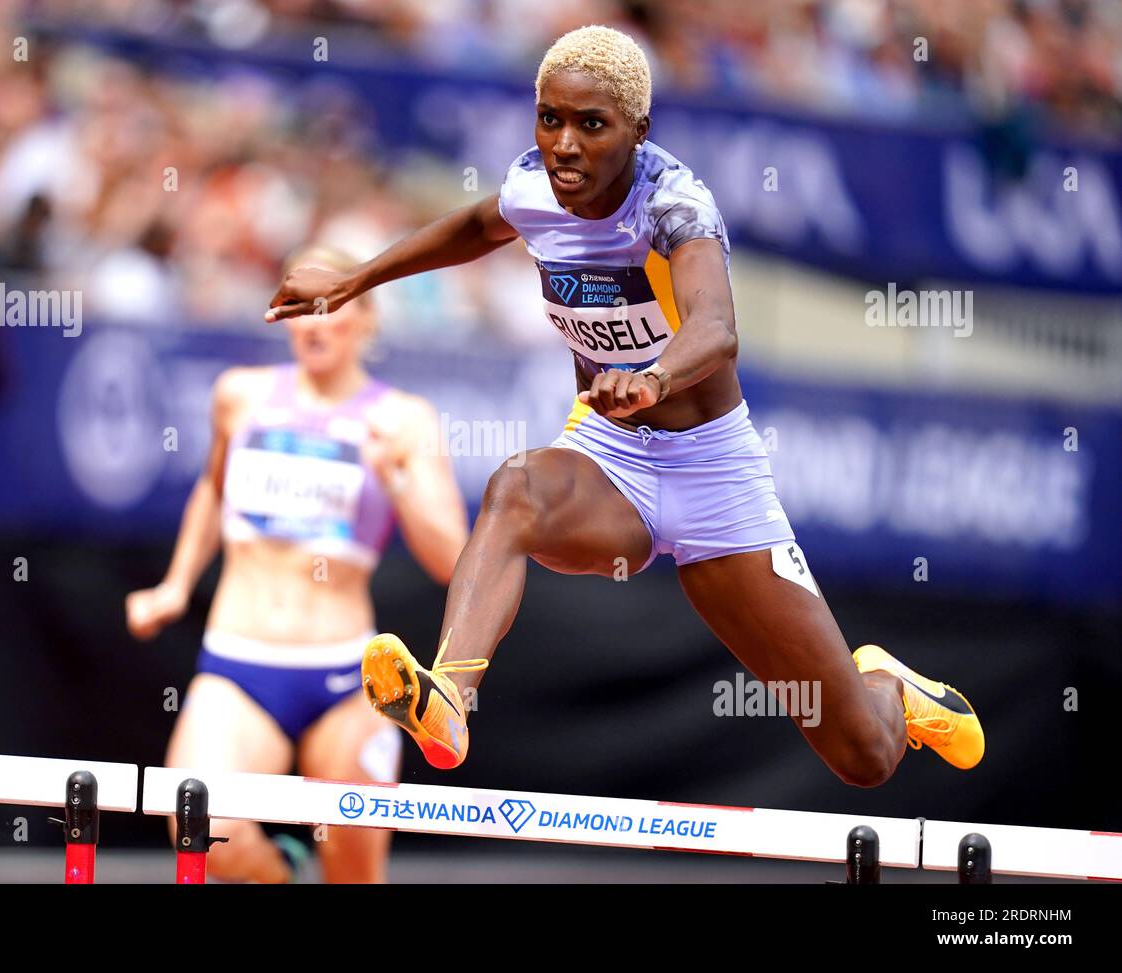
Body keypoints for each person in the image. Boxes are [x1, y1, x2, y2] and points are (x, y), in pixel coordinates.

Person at [265, 26, 984, 786]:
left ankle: (890, 688)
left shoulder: (674, 204)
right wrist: (357, 279)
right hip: (613, 461)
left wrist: (654, 376)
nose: (565, 145)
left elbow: (717, 328)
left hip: (714, 476)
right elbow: (477, 226)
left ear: (638, 132)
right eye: (549, 119)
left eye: (591, 125)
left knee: (864, 757)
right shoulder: (534, 188)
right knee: (517, 487)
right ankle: (450, 693)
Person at [128, 244, 468, 881]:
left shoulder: (403, 419)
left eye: (331, 305)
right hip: (239, 662)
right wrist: (175, 586)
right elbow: (211, 487)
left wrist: (396, 479)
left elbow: (453, 560)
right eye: (301, 307)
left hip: (346, 677)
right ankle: (286, 874)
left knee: (354, 872)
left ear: (365, 318)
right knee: (198, 823)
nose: (314, 323)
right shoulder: (241, 395)